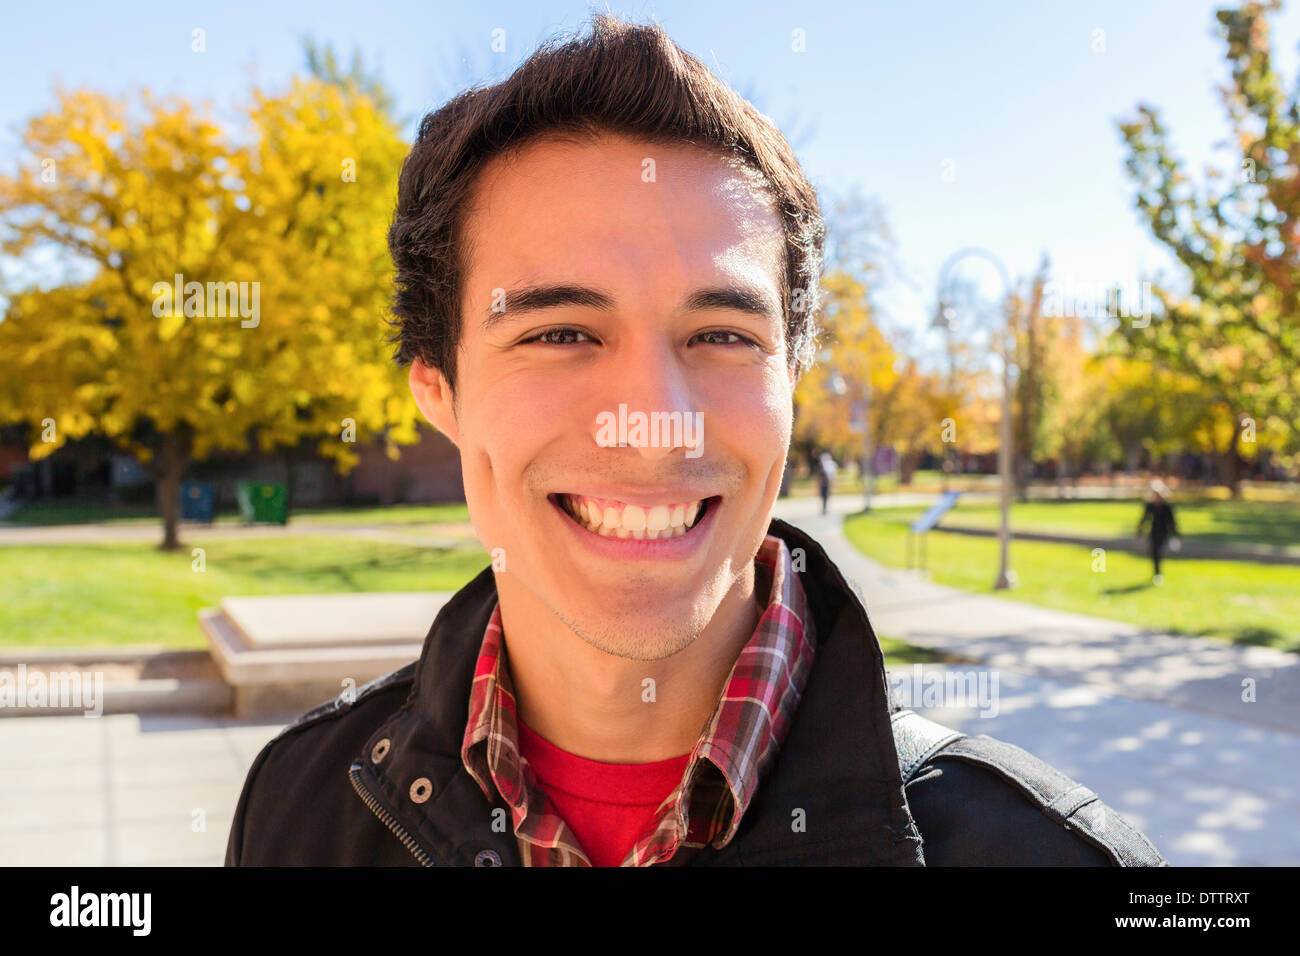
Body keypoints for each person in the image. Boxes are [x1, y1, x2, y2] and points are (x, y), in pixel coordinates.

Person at [225, 14, 1165, 867]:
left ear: (790, 384)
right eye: (560, 333)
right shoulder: (295, 814)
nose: (652, 421)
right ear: (439, 390)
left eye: (721, 335)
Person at [1136, 479, 1180, 585]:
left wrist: (1175, 536)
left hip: (1164, 533)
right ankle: (1157, 573)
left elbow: (1172, 522)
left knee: (1159, 552)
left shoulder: (1167, 507)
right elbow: (1145, 519)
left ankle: (1158, 573)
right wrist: (1140, 531)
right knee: (1154, 553)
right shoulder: (1150, 506)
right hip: (1154, 532)